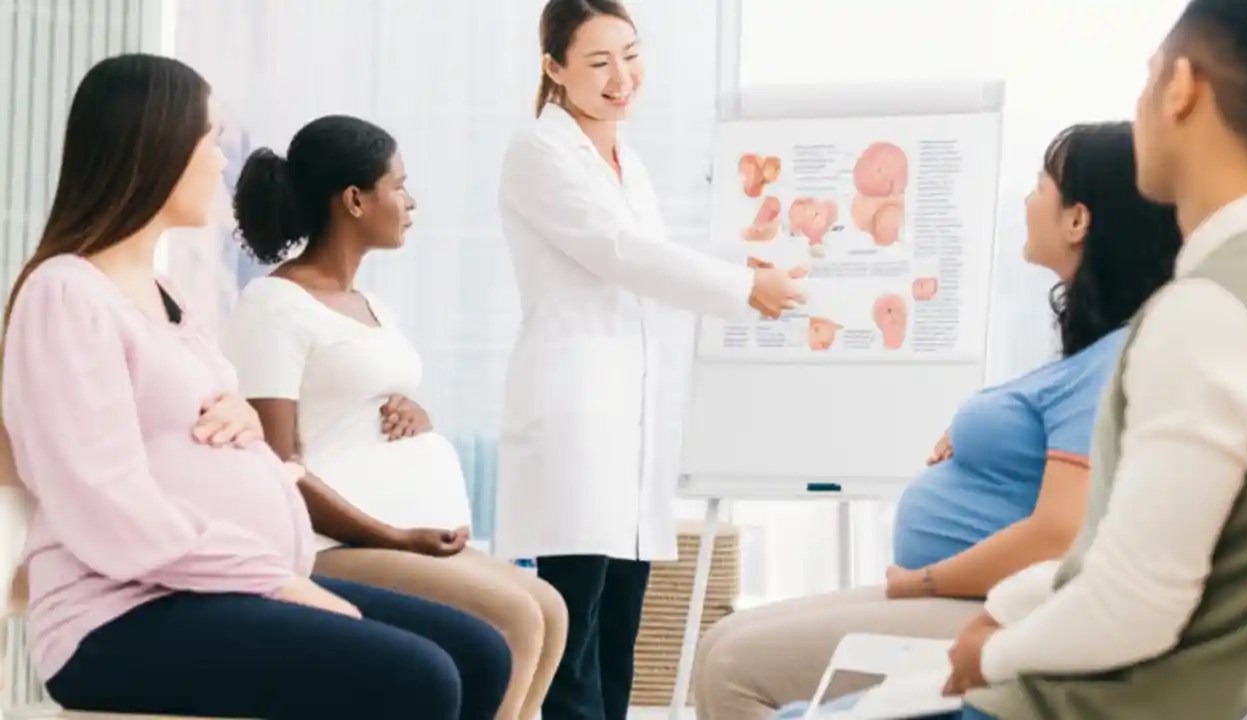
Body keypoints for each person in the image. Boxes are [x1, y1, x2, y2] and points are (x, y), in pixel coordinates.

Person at [0, 53, 510, 720]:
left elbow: (189, 423)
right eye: (210, 138)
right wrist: (278, 581)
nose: (222, 159)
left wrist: (235, 416)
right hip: (119, 613)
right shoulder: (65, 294)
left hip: (209, 588)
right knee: (421, 677)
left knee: (480, 652)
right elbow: (104, 505)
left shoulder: (164, 297)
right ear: (155, 145)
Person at [692, 122, 1183, 720]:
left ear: (1078, 220)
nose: (1028, 201)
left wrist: (922, 581)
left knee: (733, 667)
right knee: (718, 643)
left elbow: (1058, 534)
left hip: (985, 604)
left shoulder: (1115, 359)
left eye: (1040, 186)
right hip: (960, 592)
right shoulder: (1097, 353)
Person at [949, 1, 1247, 718]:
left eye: (1145, 82)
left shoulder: (1207, 313)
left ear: (1181, 88)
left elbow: (1135, 603)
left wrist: (988, 654)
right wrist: (1008, 603)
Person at [494, 1, 804, 718]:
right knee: (575, 637)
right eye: (599, 63)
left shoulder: (624, 158)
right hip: (574, 411)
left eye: (630, 55)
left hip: (628, 420)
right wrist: (741, 286)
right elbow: (622, 253)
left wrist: (739, 266)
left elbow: (652, 257)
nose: (621, 78)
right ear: (554, 69)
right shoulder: (538, 151)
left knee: (622, 631)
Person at [225, 114, 568, 720]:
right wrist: (391, 536)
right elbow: (274, 466)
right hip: (332, 543)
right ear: (355, 200)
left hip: (404, 533)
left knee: (549, 607)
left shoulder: (370, 305)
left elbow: (359, 408)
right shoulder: (274, 306)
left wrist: (417, 414)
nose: (411, 202)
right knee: (513, 617)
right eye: (399, 185)